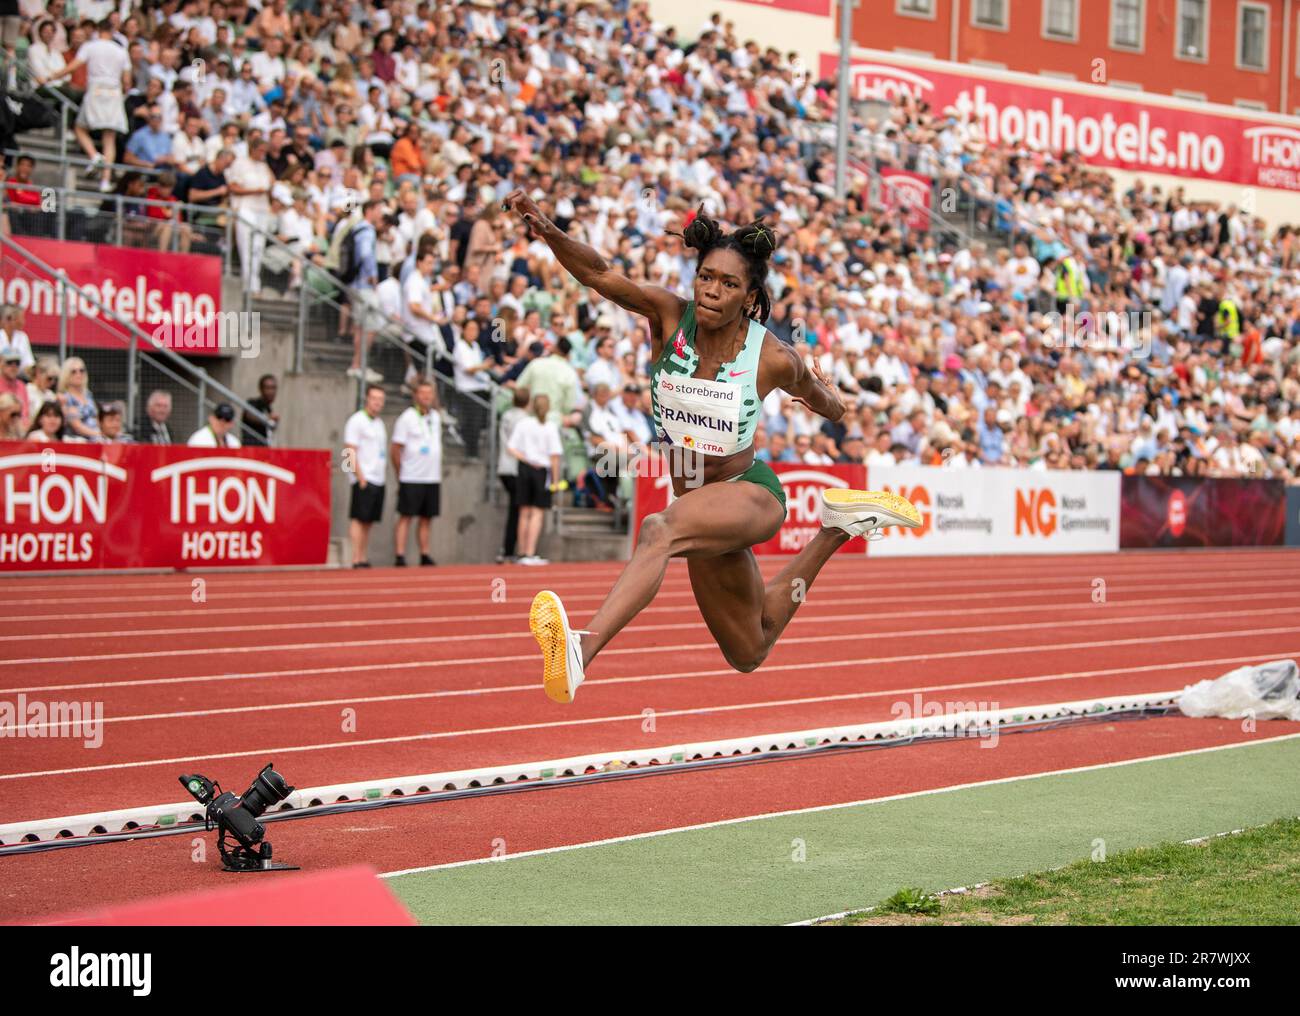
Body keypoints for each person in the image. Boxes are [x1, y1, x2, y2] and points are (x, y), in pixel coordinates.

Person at [504, 192, 920, 703]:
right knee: (749, 648)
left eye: (728, 284)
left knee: (658, 528)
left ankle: (579, 650)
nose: (712, 291)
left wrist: (834, 398)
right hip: (698, 503)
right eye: (706, 277)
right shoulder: (664, 315)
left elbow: (820, 400)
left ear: (748, 297)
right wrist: (548, 230)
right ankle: (837, 530)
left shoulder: (771, 357)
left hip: (748, 492)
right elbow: (598, 273)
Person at [41, 20, 130, 193]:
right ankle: (105, 180)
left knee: (79, 128)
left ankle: (95, 155)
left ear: (98, 30)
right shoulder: (121, 51)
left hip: (96, 90)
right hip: (114, 93)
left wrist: (51, 77)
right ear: (112, 31)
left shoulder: (91, 46)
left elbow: (73, 66)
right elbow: (127, 81)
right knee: (109, 138)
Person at [507, 392, 564, 566]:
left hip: (525, 469)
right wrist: (554, 480)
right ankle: (530, 553)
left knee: (524, 512)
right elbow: (554, 456)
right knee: (537, 513)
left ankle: (522, 552)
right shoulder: (550, 427)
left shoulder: (524, 424)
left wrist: (526, 459)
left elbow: (511, 448)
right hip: (541, 471)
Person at [390, 380, 442, 567]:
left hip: (432, 476)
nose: (427, 397)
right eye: (423, 393)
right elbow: (395, 448)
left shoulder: (435, 417)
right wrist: (400, 473)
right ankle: (400, 554)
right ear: (416, 396)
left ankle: (424, 553)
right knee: (406, 516)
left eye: (430, 393)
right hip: (411, 476)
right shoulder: (407, 418)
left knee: (427, 517)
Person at [343, 384, 387, 568]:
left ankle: (362, 555)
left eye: (380, 399)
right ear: (366, 399)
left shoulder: (379, 423)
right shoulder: (356, 420)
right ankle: (354, 557)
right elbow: (348, 450)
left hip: (378, 477)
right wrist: (358, 477)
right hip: (363, 478)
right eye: (374, 398)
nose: (377, 402)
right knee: (358, 518)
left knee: (368, 521)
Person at [497, 385, 530, 564]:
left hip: (504, 466)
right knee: (518, 511)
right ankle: (511, 550)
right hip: (517, 467)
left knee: (515, 510)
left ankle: (509, 549)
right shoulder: (525, 420)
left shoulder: (506, 415)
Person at [57, 357, 99, 441]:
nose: (78, 374)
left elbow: (97, 418)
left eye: (81, 370)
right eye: (73, 371)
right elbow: (76, 426)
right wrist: (99, 435)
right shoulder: (64, 398)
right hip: (78, 440)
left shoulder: (88, 395)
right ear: (66, 374)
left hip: (96, 436)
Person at [242, 374, 279, 446]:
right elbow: (250, 416)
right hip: (251, 449)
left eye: (274, 388)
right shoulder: (253, 403)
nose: (271, 391)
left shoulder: (268, 408)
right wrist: (268, 418)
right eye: (268, 388)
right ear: (261, 389)